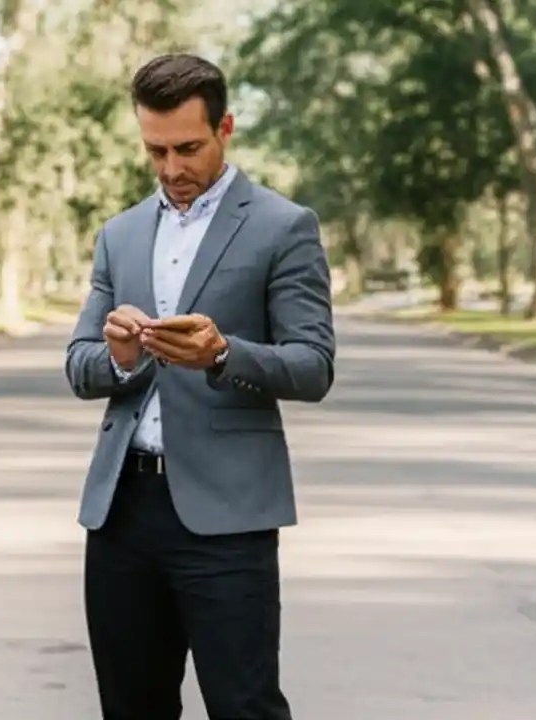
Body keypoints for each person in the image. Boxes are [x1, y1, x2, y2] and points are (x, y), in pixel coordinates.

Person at [64, 53, 336, 719]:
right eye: (155, 149)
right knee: (131, 709)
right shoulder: (120, 234)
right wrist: (120, 358)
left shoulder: (282, 227)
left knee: (244, 707)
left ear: (225, 129)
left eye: (187, 148)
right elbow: (78, 363)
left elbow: (313, 365)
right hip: (122, 511)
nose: (171, 169)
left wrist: (222, 354)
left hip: (228, 517)